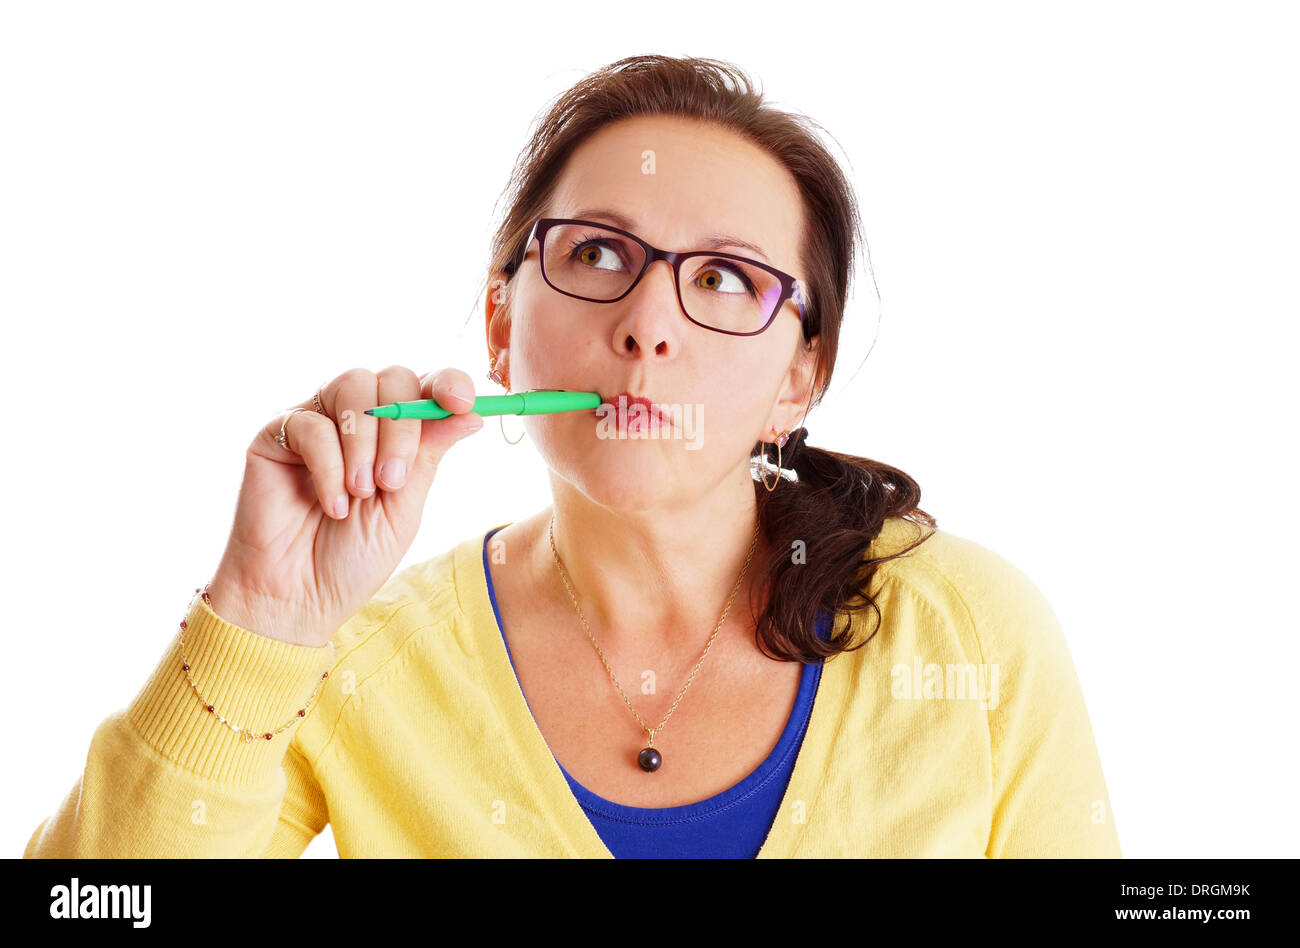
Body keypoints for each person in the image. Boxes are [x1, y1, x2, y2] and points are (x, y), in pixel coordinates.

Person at [24, 54, 1120, 858]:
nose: (649, 321)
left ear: (800, 376)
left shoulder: (973, 632)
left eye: (726, 277)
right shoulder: (359, 662)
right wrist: (262, 612)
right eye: (598, 252)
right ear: (502, 326)